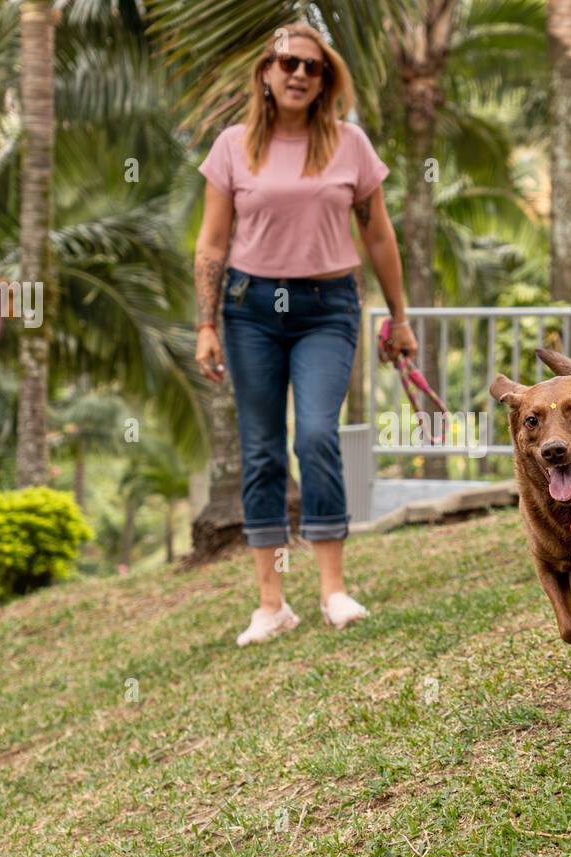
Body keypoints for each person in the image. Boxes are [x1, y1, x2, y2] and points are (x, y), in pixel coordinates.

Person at [193, 22, 418, 647]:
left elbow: (378, 236)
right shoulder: (233, 146)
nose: (297, 73)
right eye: (286, 62)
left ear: (325, 80)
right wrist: (206, 323)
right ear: (266, 72)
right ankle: (271, 603)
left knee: (316, 434)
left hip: (327, 307)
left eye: (311, 67)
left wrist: (400, 319)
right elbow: (212, 243)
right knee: (262, 449)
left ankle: (333, 591)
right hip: (248, 309)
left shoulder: (350, 145)